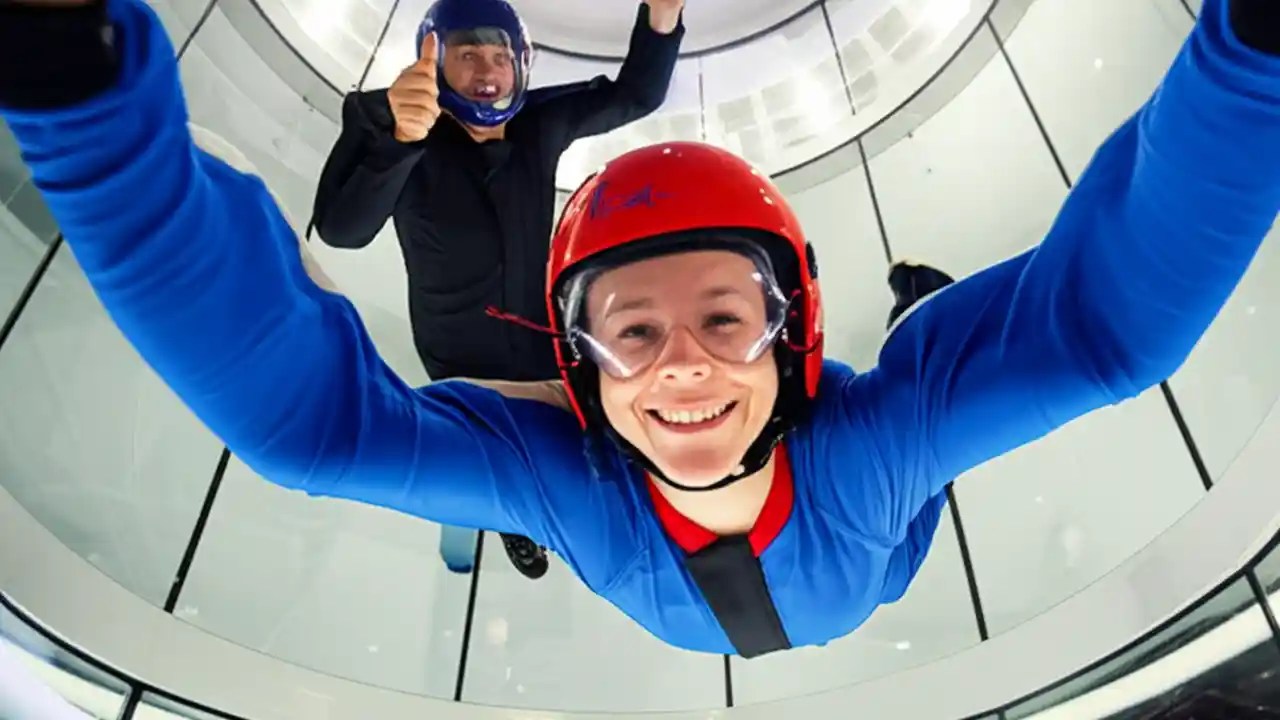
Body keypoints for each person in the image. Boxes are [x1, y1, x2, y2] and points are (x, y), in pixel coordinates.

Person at [2, 0, 1277, 659]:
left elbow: (1107, 328)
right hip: (847, 551)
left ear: (789, 333)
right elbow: (318, 400)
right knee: (930, 405)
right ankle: (925, 312)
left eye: (725, 318)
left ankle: (922, 307)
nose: (678, 362)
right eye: (632, 333)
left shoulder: (846, 445)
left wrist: (79, 109)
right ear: (579, 363)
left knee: (935, 363)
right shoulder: (576, 473)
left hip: (853, 537)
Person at [308, 0, 686, 580]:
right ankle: (513, 524)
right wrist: (400, 139)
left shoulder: (540, 120)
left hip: (548, 340)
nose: (487, 72)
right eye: (466, 55)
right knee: (498, 462)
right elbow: (341, 229)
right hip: (462, 355)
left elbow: (637, 93)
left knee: (584, 445)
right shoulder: (384, 118)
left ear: (520, 65)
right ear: (433, 65)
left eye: (499, 56)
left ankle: (623, 528)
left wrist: (662, 14)